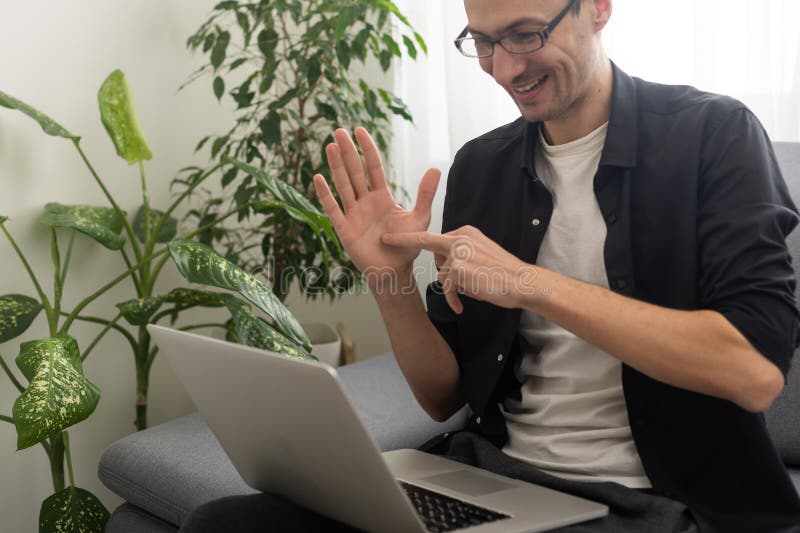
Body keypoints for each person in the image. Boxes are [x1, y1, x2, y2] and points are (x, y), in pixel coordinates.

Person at [182, 0, 800, 531]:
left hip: (653, 500)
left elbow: (753, 371)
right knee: (224, 523)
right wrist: (390, 278)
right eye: (482, 41)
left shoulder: (714, 135)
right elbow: (441, 395)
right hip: (496, 476)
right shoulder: (482, 166)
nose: (504, 69)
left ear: (598, 8)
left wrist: (528, 283)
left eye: (526, 34)